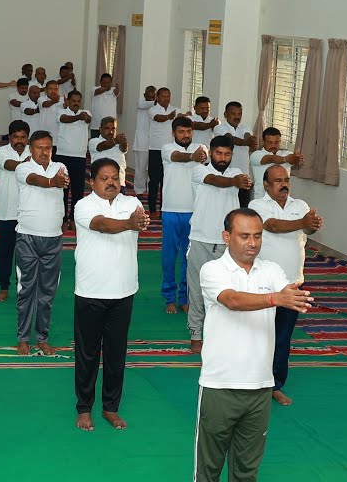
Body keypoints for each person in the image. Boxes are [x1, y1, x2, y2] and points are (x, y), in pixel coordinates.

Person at [192, 208, 313, 482]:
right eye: (244, 236)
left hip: (259, 388)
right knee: (209, 468)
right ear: (227, 237)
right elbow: (232, 300)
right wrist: (276, 299)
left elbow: (286, 292)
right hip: (219, 385)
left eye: (258, 236)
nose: (252, 243)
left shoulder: (271, 271)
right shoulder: (212, 270)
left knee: (247, 469)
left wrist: (289, 294)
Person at [72, 158, 148, 431]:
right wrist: (129, 223)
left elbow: (138, 222)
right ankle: (84, 409)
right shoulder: (84, 205)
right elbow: (102, 225)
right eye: (104, 178)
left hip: (123, 291)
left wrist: (132, 221)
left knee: (116, 355)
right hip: (90, 291)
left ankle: (110, 408)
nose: (111, 182)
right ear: (92, 182)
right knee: (88, 354)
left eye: (115, 177)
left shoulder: (132, 204)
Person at [249, 165, 323, 405]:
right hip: (263, 286)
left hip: (292, 286)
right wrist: (302, 222)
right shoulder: (256, 206)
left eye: (286, 180)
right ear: (266, 184)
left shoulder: (299, 205)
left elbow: (309, 228)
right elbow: (272, 225)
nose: (284, 184)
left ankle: (275, 385)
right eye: (278, 180)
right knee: (259, 337)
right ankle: (251, 383)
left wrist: (312, 224)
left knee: (282, 338)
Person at [187, 135, 250, 353]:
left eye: (227, 154)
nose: (222, 158)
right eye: (218, 153)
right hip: (200, 239)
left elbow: (241, 185)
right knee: (197, 291)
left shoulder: (236, 172)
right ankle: (196, 335)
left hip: (227, 243)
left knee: (229, 291)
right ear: (211, 153)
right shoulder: (199, 170)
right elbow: (214, 180)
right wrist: (235, 183)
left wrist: (239, 182)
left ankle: (225, 336)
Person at [14, 130, 68, 356]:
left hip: (53, 238)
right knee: (26, 290)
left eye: (48, 148)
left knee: (48, 292)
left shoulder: (60, 167)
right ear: (31, 149)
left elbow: (61, 181)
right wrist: (52, 182)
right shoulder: (23, 168)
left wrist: (56, 180)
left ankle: (43, 338)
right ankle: (23, 339)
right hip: (27, 237)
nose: (44, 152)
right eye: (39, 148)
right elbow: (34, 180)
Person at [160, 116, 204, 316]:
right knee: (169, 258)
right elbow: (177, 156)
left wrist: (197, 155)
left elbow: (203, 159)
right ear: (173, 133)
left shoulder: (201, 149)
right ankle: (169, 298)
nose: (185, 135)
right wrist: (193, 157)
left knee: (190, 259)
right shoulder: (167, 149)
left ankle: (185, 298)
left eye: (188, 131)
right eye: (181, 132)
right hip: (170, 210)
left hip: (194, 212)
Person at [0, 120, 30, 302]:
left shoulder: (33, 152)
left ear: (28, 138)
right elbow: (10, 165)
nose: (19, 141)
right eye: (16, 137)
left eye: (23, 137)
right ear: (9, 137)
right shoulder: (1, 152)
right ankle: (4, 287)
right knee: (5, 252)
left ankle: (23, 288)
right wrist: (29, 164)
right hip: (6, 212)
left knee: (25, 255)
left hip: (28, 212)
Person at [55, 89, 93, 229]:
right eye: (73, 101)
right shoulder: (61, 112)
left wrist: (82, 117)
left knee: (78, 190)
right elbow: (64, 119)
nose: (76, 103)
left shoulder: (86, 112)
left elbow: (88, 119)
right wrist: (78, 118)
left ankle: (73, 218)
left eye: (78, 101)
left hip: (79, 157)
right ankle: (63, 219)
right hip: (63, 155)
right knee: (62, 190)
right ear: (68, 101)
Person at [213, 101, 258, 208]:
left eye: (239, 114)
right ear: (225, 114)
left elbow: (247, 135)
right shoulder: (219, 128)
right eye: (233, 114)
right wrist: (247, 142)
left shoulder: (245, 127)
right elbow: (230, 139)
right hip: (226, 177)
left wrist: (252, 140)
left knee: (243, 209)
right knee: (225, 208)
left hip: (244, 177)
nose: (237, 117)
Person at [147, 87, 179, 216]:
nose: (166, 99)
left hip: (171, 151)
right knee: (154, 181)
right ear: (157, 97)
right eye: (164, 96)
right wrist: (168, 117)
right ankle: (152, 209)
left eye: (168, 96)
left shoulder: (175, 109)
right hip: (156, 149)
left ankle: (164, 208)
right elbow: (158, 118)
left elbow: (181, 118)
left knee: (167, 182)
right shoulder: (152, 110)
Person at [248, 127, 302, 201]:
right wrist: (286, 159)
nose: (273, 145)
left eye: (276, 142)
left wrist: (296, 158)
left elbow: (292, 160)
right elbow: (271, 159)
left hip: (283, 201)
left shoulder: (286, 154)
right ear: (263, 142)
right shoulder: (256, 155)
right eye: (270, 142)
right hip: (262, 201)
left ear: (280, 141)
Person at [89, 116, 129, 190]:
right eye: (107, 128)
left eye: (113, 129)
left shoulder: (118, 142)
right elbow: (101, 146)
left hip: (118, 183)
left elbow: (124, 149)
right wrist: (116, 141)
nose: (111, 132)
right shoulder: (94, 141)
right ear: (100, 129)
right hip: (100, 184)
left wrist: (123, 142)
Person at [131, 86, 156, 196]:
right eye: (149, 96)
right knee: (140, 169)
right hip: (141, 143)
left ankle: (151, 191)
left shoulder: (158, 108)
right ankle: (139, 190)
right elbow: (143, 104)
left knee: (152, 169)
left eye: (153, 97)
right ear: (144, 95)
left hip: (154, 143)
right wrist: (157, 102)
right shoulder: (141, 103)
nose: (151, 99)